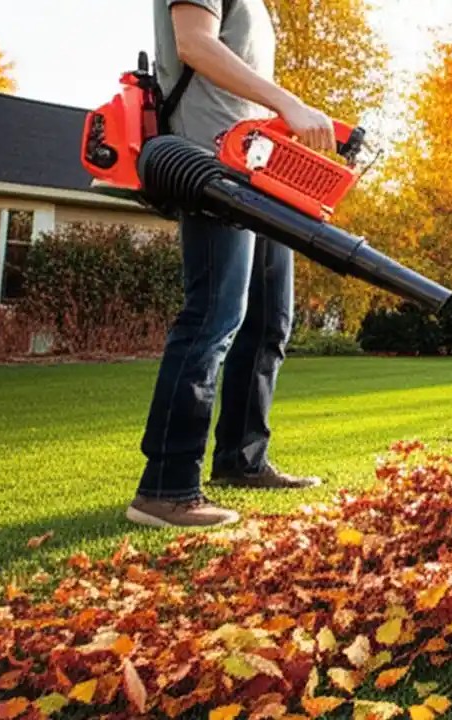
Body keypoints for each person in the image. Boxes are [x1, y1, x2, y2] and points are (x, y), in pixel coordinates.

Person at [126, 0, 336, 528]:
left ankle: (242, 459)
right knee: (213, 316)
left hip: (256, 163)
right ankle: (165, 485)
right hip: (208, 163)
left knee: (270, 320)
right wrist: (288, 101)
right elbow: (194, 43)